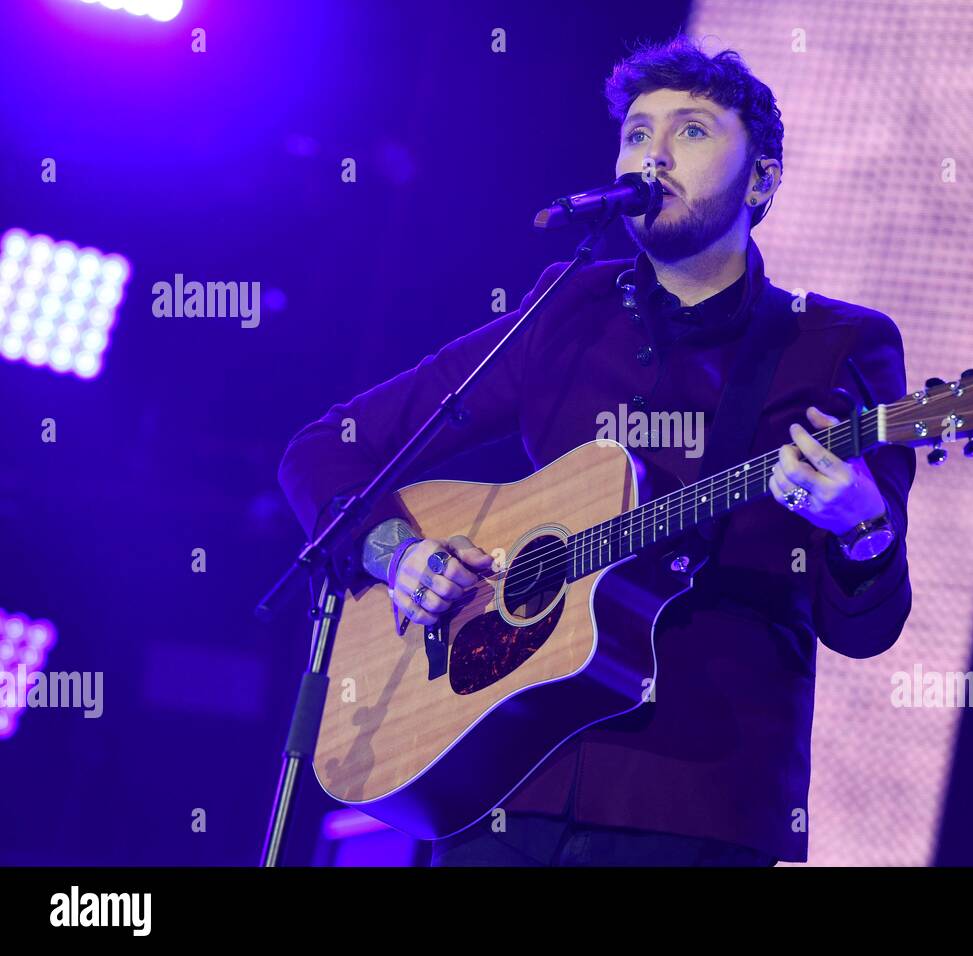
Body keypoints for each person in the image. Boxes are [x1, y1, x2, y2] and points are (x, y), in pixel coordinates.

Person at [277, 34, 915, 866]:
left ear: (762, 179)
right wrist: (400, 557)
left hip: (697, 803)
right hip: (501, 791)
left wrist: (861, 525)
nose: (653, 155)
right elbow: (329, 447)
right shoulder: (565, 311)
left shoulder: (837, 345)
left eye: (690, 131)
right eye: (637, 133)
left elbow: (866, 628)